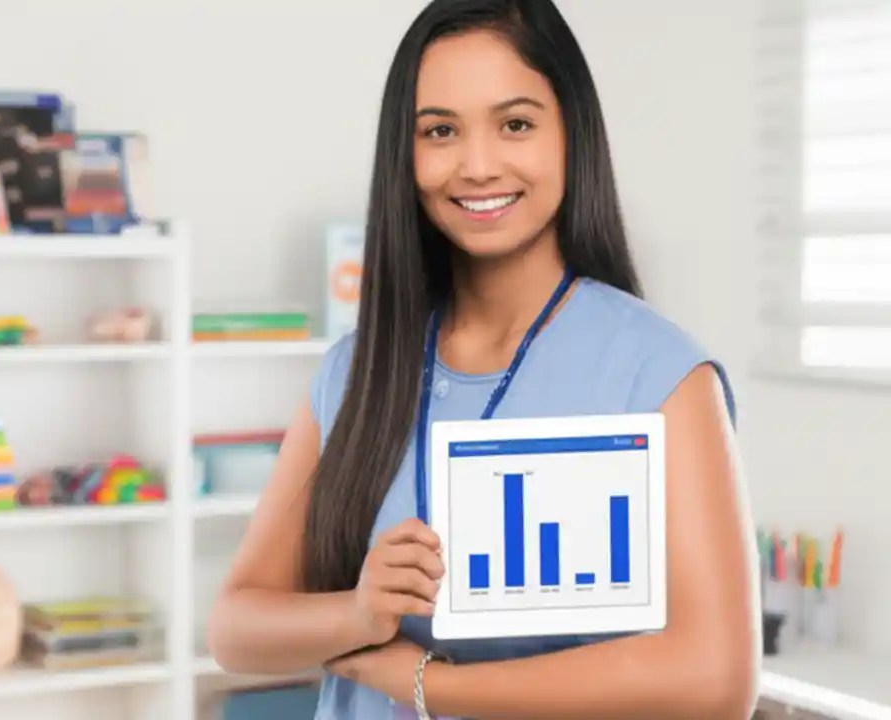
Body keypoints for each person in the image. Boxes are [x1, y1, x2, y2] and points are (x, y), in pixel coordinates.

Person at [205, 0, 760, 718]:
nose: (476, 165)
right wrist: (359, 612)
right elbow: (235, 630)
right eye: (440, 131)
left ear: (572, 134)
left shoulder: (660, 375)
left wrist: (429, 684)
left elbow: (715, 681)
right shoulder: (357, 372)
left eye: (516, 124)